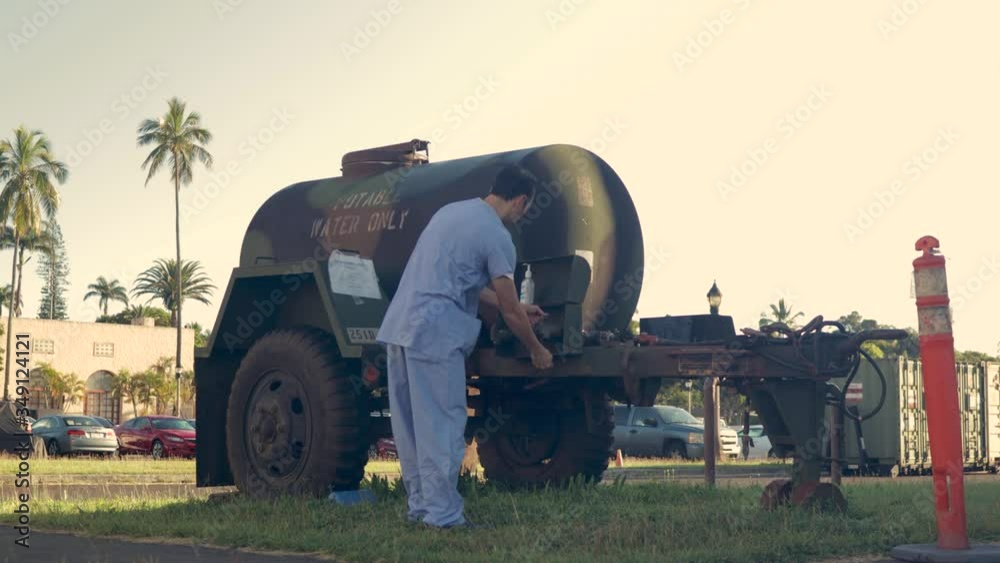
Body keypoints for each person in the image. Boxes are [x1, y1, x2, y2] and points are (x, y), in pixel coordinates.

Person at [376, 165, 554, 528]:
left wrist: (518, 307)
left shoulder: (451, 213)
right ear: (520, 201)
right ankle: (443, 517)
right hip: (435, 335)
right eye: (525, 208)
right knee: (441, 426)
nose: (522, 214)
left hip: (400, 327)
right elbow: (505, 305)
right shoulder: (497, 235)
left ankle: (422, 509)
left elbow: (463, 281)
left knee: (411, 428)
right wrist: (537, 349)